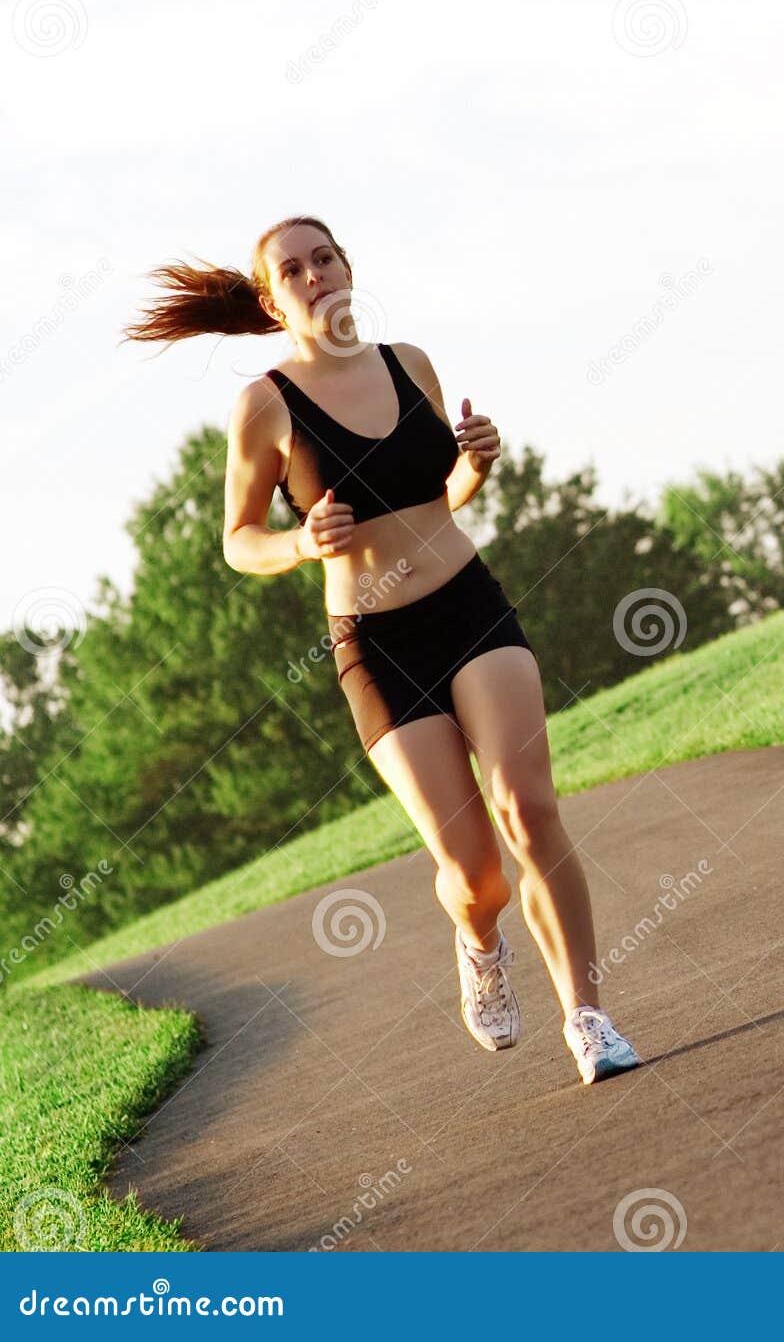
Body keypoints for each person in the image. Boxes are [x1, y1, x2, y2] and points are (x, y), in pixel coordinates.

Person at [119, 215, 641, 1086]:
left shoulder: (411, 363)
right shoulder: (265, 406)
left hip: (470, 606)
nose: (315, 274)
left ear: (349, 266)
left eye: (325, 257)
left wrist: (476, 462)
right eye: (293, 269)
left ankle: (587, 1017)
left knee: (527, 808)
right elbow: (239, 540)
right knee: (475, 872)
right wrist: (300, 545)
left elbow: (445, 493)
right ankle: (479, 942)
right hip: (377, 644)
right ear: (272, 300)